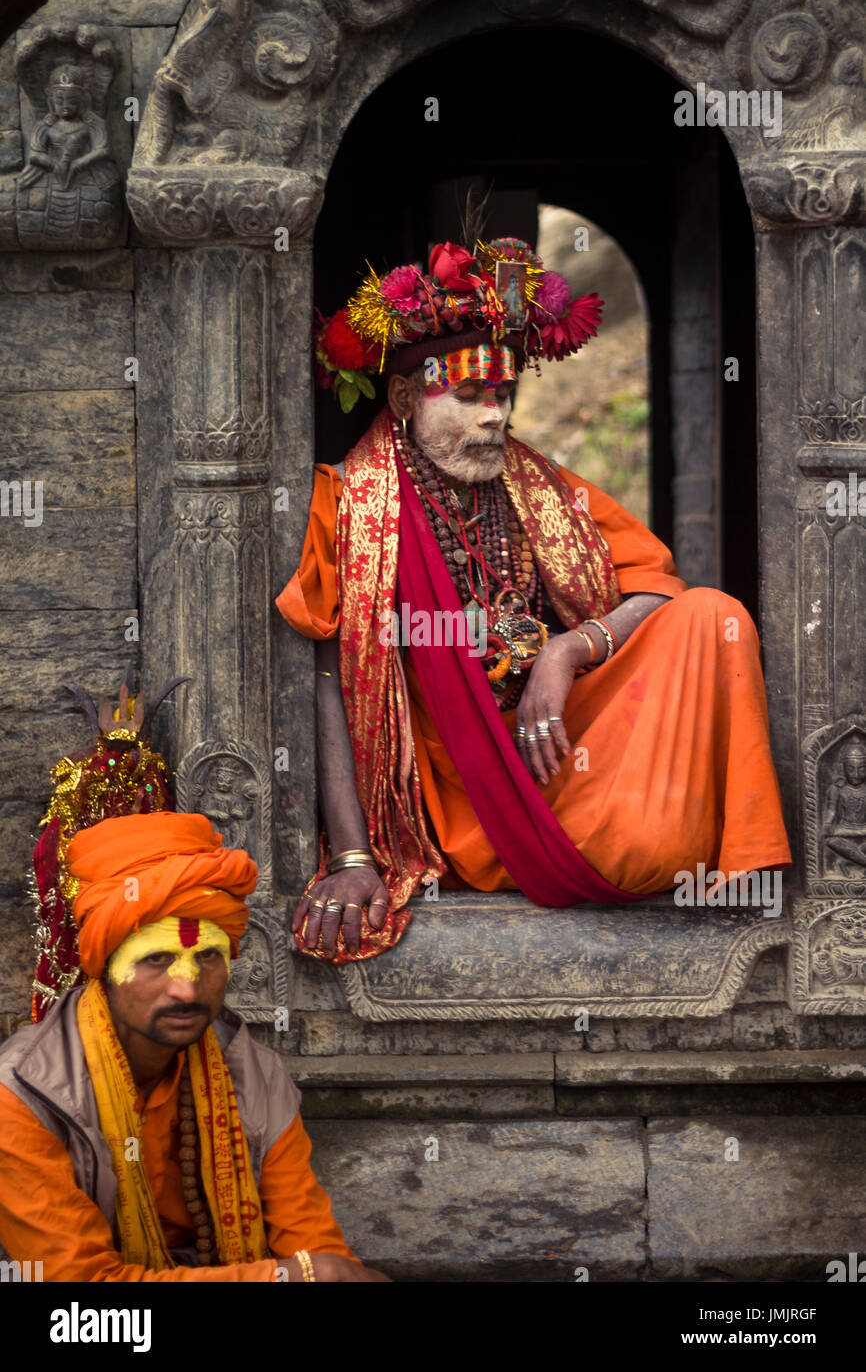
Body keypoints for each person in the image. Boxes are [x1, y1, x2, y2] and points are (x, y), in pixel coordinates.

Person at [277, 235, 791, 964]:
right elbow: (327, 677)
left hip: (554, 752)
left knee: (716, 617)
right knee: (649, 848)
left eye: (502, 395)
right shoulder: (348, 503)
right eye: (468, 396)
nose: (493, 417)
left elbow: (659, 586)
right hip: (457, 802)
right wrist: (355, 859)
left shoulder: (539, 485)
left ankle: (718, 857)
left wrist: (569, 647)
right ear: (401, 397)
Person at [0, 810, 387, 1282]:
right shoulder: (21, 1097)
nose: (186, 988)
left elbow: (313, 1242)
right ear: (104, 968)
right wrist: (291, 1277)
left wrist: (321, 1272)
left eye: (207, 957)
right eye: (156, 959)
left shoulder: (252, 1071)